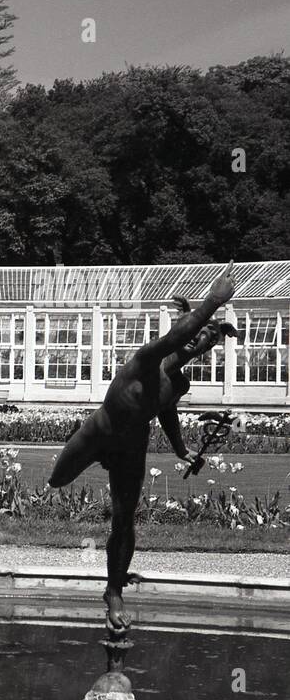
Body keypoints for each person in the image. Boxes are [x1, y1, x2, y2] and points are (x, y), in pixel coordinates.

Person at [48, 261, 240, 631]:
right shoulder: (148, 358)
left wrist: (180, 449)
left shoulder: (177, 383)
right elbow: (177, 336)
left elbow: (165, 410)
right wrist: (212, 303)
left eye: (207, 340)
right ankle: (113, 581)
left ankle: (113, 590)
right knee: (57, 480)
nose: (199, 340)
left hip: (132, 447)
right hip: (99, 432)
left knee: (124, 520)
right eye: (197, 332)